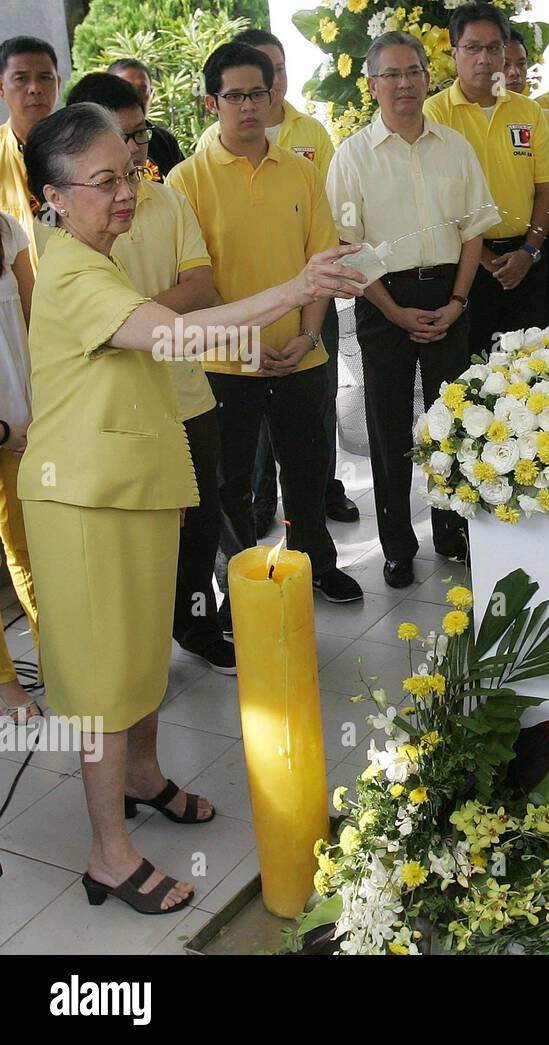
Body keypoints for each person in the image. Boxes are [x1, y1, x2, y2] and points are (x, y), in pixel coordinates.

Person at [20, 102, 361, 914]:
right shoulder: (67, 268)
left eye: (128, 174)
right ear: (55, 196)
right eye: (103, 182)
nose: (125, 193)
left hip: (128, 488)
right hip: (84, 503)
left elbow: (175, 341)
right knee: (103, 686)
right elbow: (172, 337)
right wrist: (297, 287)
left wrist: (264, 342)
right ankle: (109, 854)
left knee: (140, 658)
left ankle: (141, 776)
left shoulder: (97, 258)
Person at [167, 43, 363, 604]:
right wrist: (246, 343)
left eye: (260, 92)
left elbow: (322, 262)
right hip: (226, 361)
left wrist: (306, 336)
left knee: (307, 471)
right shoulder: (188, 182)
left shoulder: (301, 172)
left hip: (302, 354)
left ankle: (315, 567)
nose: (249, 105)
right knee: (230, 484)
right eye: (235, 96)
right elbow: (197, 279)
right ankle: (243, 584)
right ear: (212, 103)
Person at [65, 72, 234, 674]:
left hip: (185, 392)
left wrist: (132, 319)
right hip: (114, 409)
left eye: (141, 135)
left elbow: (204, 287)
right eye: (121, 138)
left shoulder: (168, 199)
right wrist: (144, 318)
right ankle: (133, 653)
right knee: (134, 537)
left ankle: (198, 625)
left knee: (199, 521)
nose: (137, 152)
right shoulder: (60, 226)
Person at [328, 32, 496, 576]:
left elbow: (474, 232)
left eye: (414, 72)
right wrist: (395, 312)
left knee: (451, 421)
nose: (404, 84)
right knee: (389, 426)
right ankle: (398, 546)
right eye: (391, 75)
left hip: (450, 292)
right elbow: (347, 247)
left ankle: (452, 531)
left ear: (429, 77)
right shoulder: (352, 156)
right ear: (373, 85)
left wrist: (457, 300)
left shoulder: (455, 147)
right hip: (384, 301)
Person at [424, 3, 549, 357]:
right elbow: (433, 198)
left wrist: (529, 251)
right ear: (454, 53)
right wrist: (483, 258)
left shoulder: (528, 111)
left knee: (530, 364)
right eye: (472, 48)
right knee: (471, 368)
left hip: (526, 257)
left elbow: (547, 186)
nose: (484, 58)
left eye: (493, 48)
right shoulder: (435, 113)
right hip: (463, 263)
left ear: (505, 53)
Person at [504, 28, 549, 325]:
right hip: (494, 245)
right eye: (506, 64)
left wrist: (522, 182)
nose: (515, 73)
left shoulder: (544, 117)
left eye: (521, 64)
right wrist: (540, 180)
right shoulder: (470, 120)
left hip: (548, 239)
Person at [0, 205, 38, 723]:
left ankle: (61, 659)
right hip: (8, 431)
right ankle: (7, 683)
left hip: (26, 430)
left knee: (30, 550)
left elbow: (36, 323)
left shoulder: (8, 228)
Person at [0, 36, 60, 252]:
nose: (35, 88)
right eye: (21, 79)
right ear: (1, 87)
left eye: (45, 77)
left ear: (58, 83)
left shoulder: (82, 149)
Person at [106, 58, 185, 178]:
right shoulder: (99, 144)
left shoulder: (163, 141)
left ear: (151, 94)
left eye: (141, 90)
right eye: (125, 89)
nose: (134, 96)